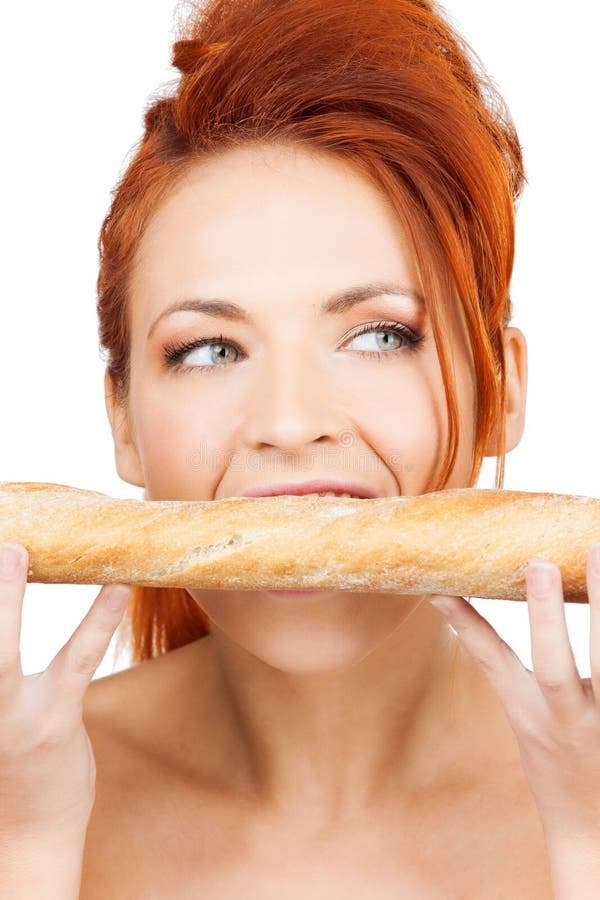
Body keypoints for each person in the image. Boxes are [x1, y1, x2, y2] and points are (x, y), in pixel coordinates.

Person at [2, 1, 599, 897]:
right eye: (210, 350)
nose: (289, 422)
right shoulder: (20, 791)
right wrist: (25, 846)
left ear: (501, 393)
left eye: (380, 336)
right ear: (121, 419)